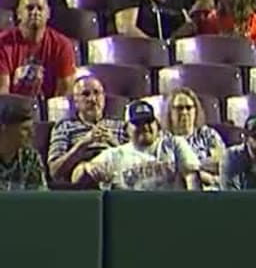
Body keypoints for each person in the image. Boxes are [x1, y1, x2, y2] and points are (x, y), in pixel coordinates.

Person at [72, 100, 202, 191]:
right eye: (138, 123)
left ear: (157, 124)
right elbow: (75, 178)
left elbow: (192, 177)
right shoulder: (115, 155)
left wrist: (193, 208)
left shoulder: (174, 144)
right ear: (127, 128)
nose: (145, 127)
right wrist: (86, 167)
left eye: (148, 121)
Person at [47, 77, 128, 186]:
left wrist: (113, 142)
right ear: (76, 102)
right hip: (82, 179)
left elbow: (133, 161)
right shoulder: (64, 126)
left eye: (97, 93)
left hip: (115, 174)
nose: (93, 99)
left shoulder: (120, 125)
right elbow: (54, 171)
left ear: (104, 97)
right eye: (85, 94)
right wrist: (82, 145)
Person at [0, 0, 77, 100]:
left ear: (48, 14)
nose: (35, 12)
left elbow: (64, 94)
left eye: (40, 8)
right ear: (19, 14)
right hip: (12, 111)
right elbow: (3, 94)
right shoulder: (3, 43)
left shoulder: (62, 45)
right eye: (29, 8)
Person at [163, 88, 224, 189]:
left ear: (195, 111)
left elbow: (220, 163)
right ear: (170, 112)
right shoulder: (164, 140)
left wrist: (192, 168)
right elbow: (167, 172)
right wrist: (201, 171)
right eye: (179, 108)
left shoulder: (208, 134)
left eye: (189, 107)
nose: (184, 112)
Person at [0, 98, 47, 191]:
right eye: (25, 129)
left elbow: (40, 197)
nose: (32, 134)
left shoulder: (30, 156)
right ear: (3, 128)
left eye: (32, 128)